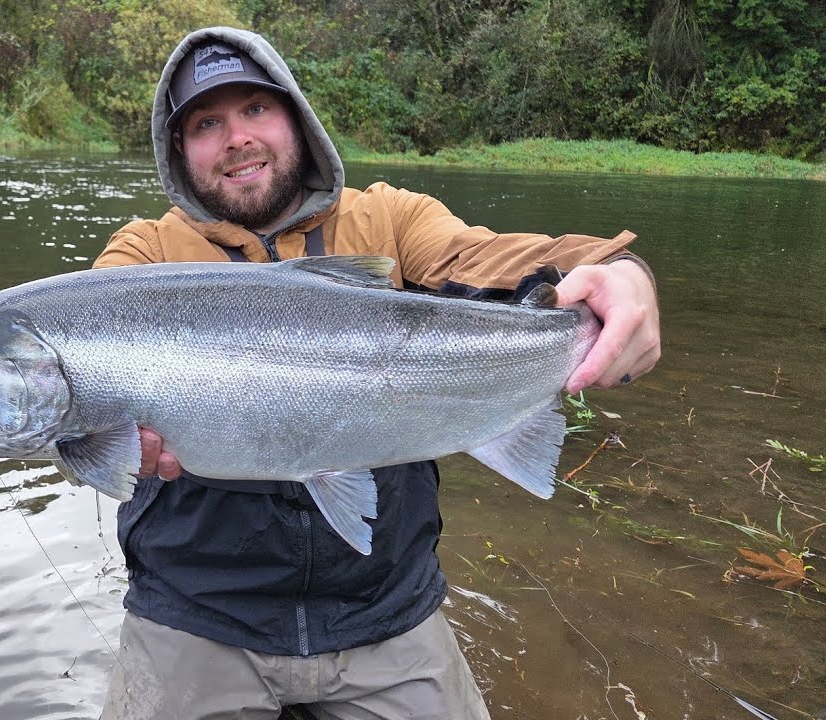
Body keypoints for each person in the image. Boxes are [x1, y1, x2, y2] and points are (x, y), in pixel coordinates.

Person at [93, 26, 660, 720]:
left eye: (255, 109)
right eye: (207, 123)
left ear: (295, 118)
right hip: (196, 616)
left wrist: (618, 272)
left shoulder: (389, 218)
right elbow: (79, 379)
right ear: (180, 149)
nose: (237, 138)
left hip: (384, 610)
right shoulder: (144, 254)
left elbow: (489, 260)